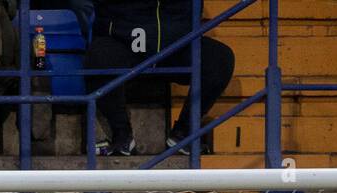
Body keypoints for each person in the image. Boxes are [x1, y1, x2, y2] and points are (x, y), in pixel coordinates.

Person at [84, 0, 235, 156]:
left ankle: (183, 135)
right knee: (98, 58)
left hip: (177, 47)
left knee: (219, 59)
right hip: (124, 42)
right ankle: (121, 136)